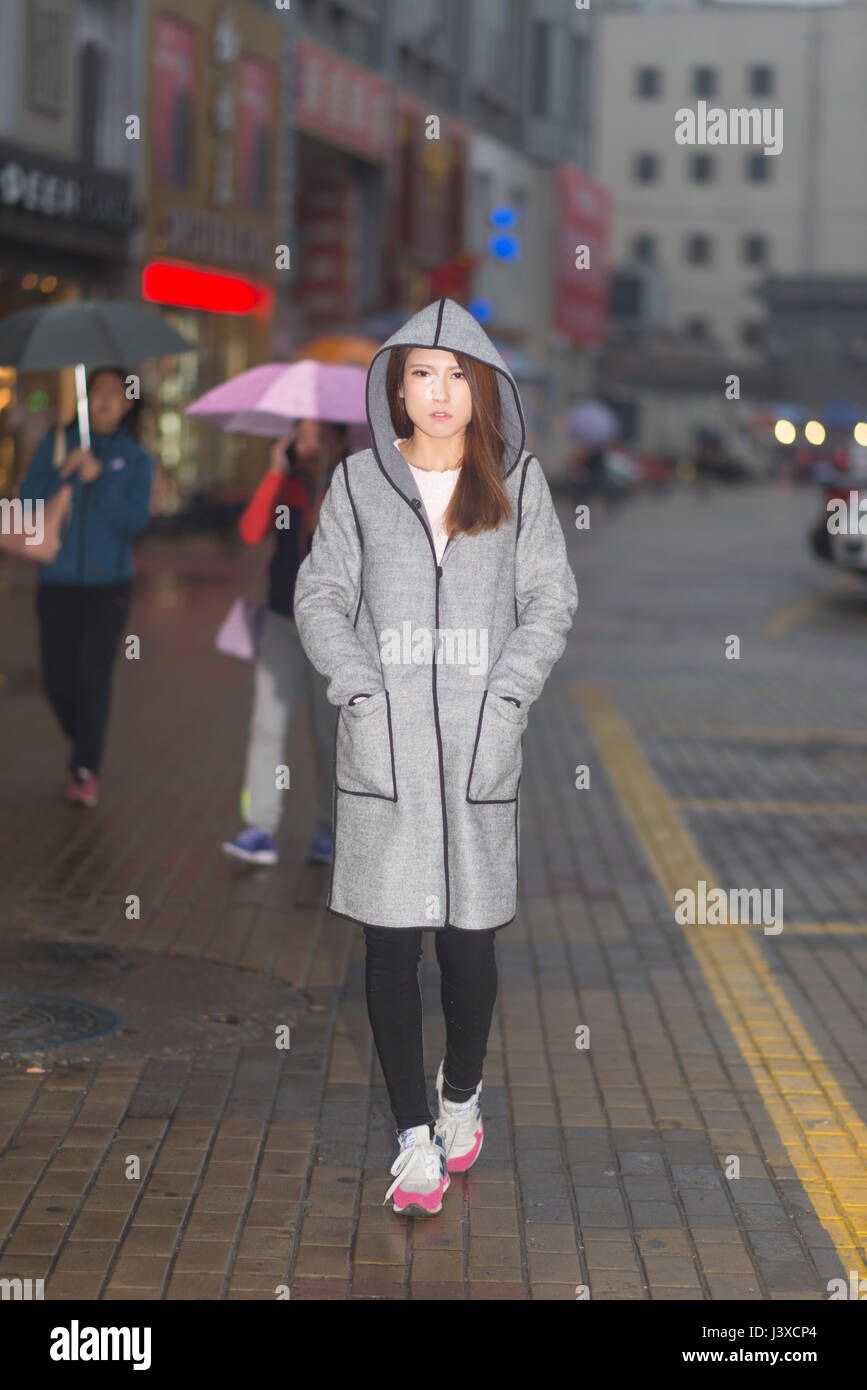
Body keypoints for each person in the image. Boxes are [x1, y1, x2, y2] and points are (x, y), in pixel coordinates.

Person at [292, 299, 578, 1216]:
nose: (440, 392)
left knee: (464, 951)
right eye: (421, 373)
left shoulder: (519, 484)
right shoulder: (356, 485)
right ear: (395, 386)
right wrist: (358, 687)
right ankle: (412, 1137)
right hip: (385, 755)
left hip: (477, 756)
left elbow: (549, 603)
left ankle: (461, 1094)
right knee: (385, 952)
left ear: (482, 387)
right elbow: (319, 598)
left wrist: (506, 696)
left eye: (458, 375)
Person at [16, 366, 153, 807]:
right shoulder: (58, 444)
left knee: (93, 674)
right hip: (56, 580)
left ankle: (85, 767)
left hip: (108, 585)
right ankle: (86, 742)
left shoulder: (135, 458)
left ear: (129, 402)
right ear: (85, 397)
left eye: (117, 393)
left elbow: (133, 522)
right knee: (57, 678)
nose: (107, 400)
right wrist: (64, 474)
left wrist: (100, 479)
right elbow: (25, 504)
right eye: (98, 391)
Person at [221, 419, 348, 867]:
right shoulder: (288, 484)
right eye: (303, 434)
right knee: (267, 725)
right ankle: (259, 827)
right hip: (279, 622)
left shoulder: (355, 485)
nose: (310, 443)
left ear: (338, 438)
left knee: (329, 734)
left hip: (332, 631)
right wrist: (275, 471)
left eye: (319, 434)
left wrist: (329, 526)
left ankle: (332, 829)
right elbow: (251, 533)